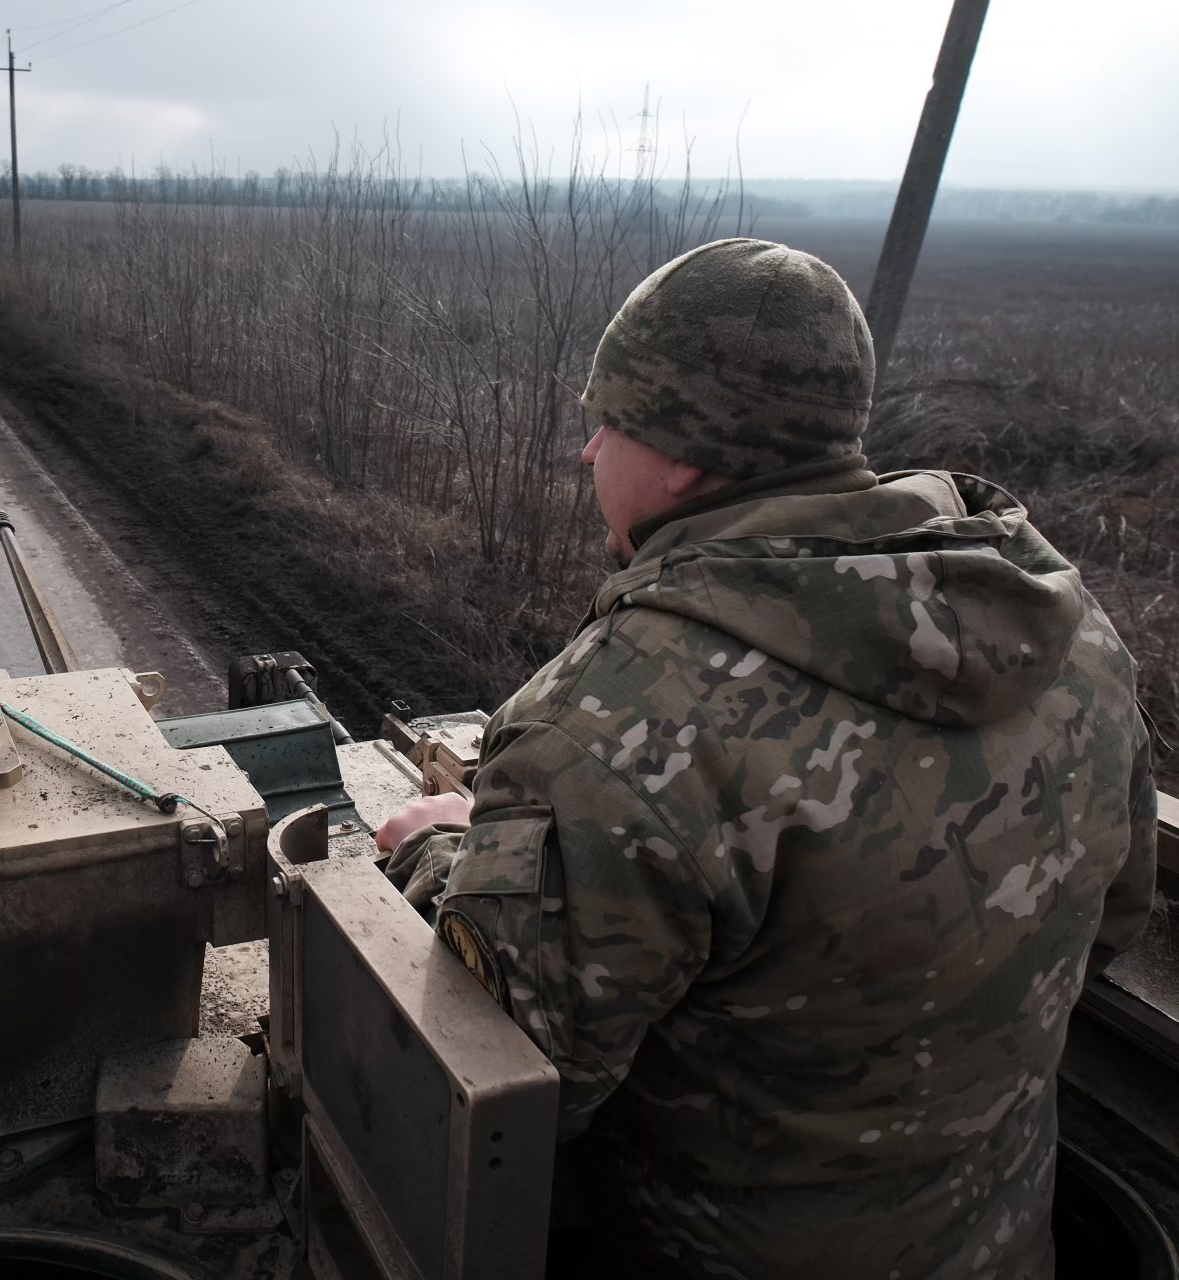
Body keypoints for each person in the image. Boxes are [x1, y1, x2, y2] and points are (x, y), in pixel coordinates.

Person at [378, 238, 1158, 1279]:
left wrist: (440, 857)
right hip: (1007, 1246)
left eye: (606, 421)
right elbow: (1114, 917)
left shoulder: (612, 728)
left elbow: (518, 1086)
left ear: (685, 455)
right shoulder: (1071, 634)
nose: (586, 452)